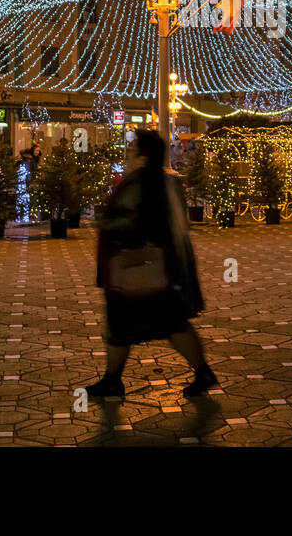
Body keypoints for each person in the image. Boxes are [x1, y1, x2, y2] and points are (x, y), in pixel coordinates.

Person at [86, 130, 214, 398]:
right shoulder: (162, 181)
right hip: (154, 269)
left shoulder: (140, 183)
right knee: (168, 323)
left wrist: (106, 223)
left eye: (133, 149)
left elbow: (134, 221)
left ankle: (113, 380)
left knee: (132, 325)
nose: (128, 153)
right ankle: (200, 372)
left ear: (143, 155)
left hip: (135, 270)